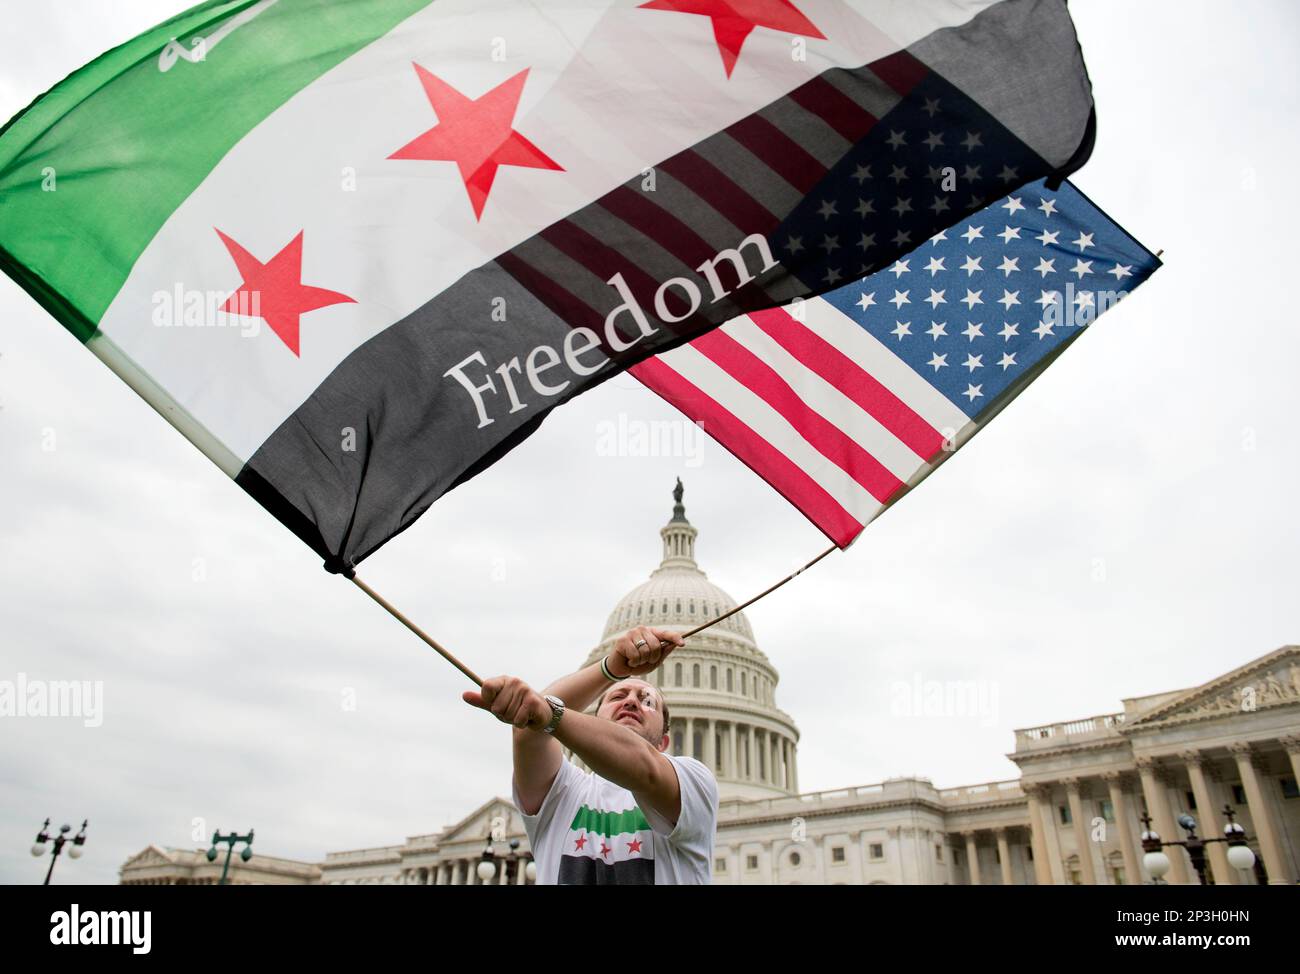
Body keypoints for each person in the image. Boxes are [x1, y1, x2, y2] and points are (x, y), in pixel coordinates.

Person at [463, 625, 719, 884]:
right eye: (617, 695)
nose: (630, 701)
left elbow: (645, 768)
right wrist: (611, 668)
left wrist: (547, 712)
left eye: (647, 701)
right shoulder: (563, 794)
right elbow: (528, 732)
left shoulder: (695, 782)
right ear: (593, 721)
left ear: (664, 742)